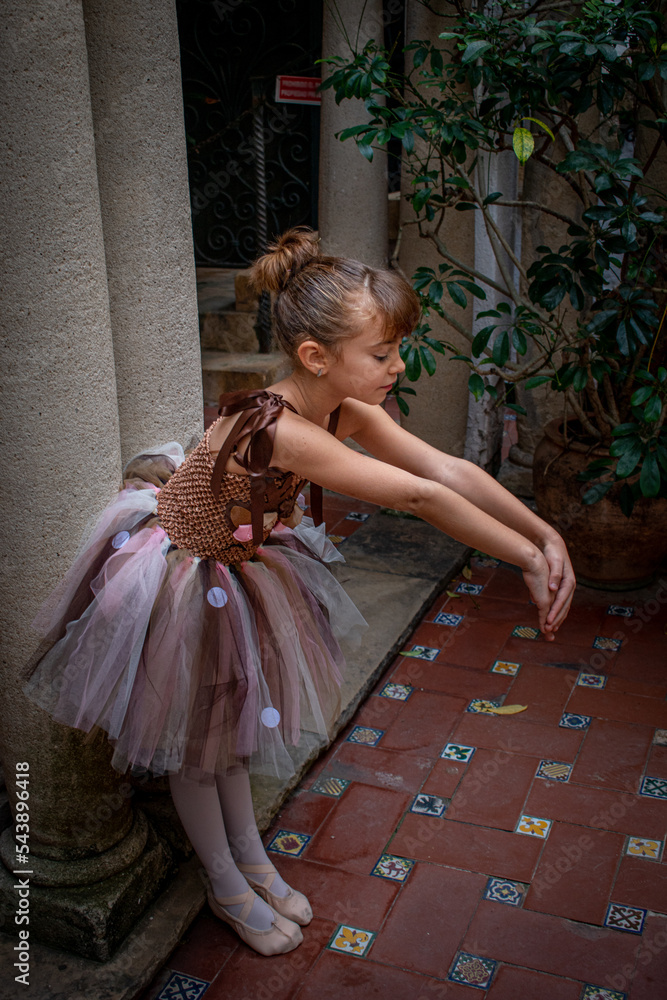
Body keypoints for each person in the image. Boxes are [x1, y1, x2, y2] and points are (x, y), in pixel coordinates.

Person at [23, 227, 575, 958]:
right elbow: (416, 497)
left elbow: (442, 470)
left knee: (229, 733)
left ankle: (249, 860)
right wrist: (522, 560)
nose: (397, 366)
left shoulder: (338, 405)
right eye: (381, 354)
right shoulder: (282, 427)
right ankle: (224, 882)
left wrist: (544, 536)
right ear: (317, 357)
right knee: (198, 743)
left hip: (245, 566)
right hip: (185, 577)